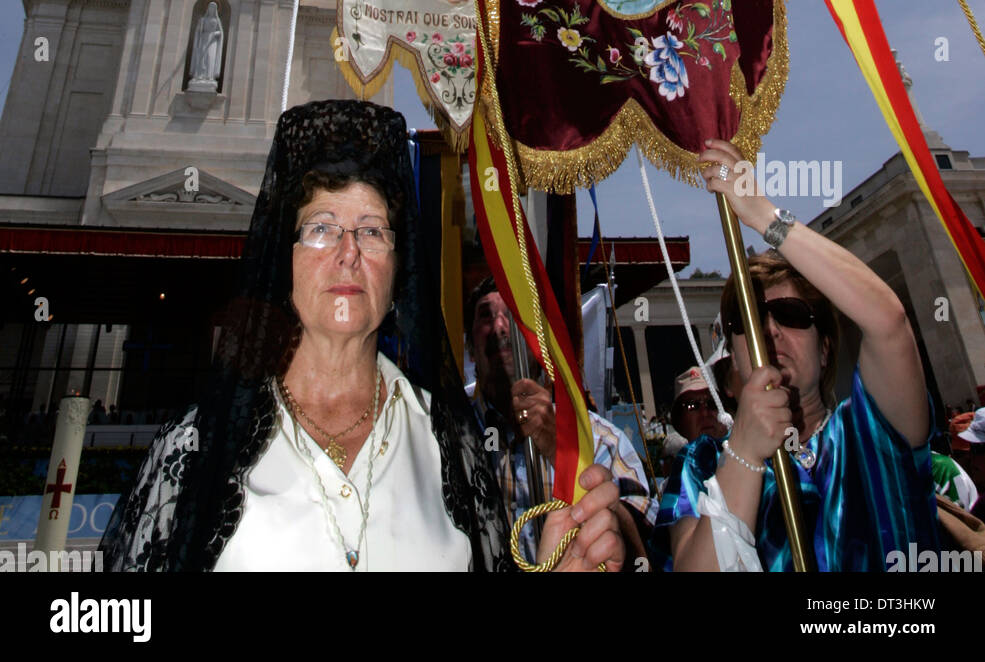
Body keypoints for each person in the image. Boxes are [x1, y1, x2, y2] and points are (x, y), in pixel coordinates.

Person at [101, 101, 623, 572]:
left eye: (372, 230)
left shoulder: (449, 445)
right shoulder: (195, 450)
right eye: (321, 227)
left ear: (397, 272)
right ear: (284, 264)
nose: (348, 252)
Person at [658, 137, 940, 572]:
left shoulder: (871, 430)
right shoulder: (701, 464)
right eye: (745, 323)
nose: (768, 331)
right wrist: (746, 453)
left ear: (825, 348)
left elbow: (889, 324)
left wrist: (764, 216)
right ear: (732, 357)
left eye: (790, 314)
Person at [465, 275, 655, 566]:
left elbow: (641, 553)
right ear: (469, 348)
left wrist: (563, 451)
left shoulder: (600, 437)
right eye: (486, 316)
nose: (500, 327)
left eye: (513, 315)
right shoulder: (447, 434)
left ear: (538, 339)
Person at [669, 366, 731, 444]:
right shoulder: (683, 456)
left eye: (712, 403)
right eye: (692, 405)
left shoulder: (745, 452)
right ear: (681, 421)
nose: (705, 413)